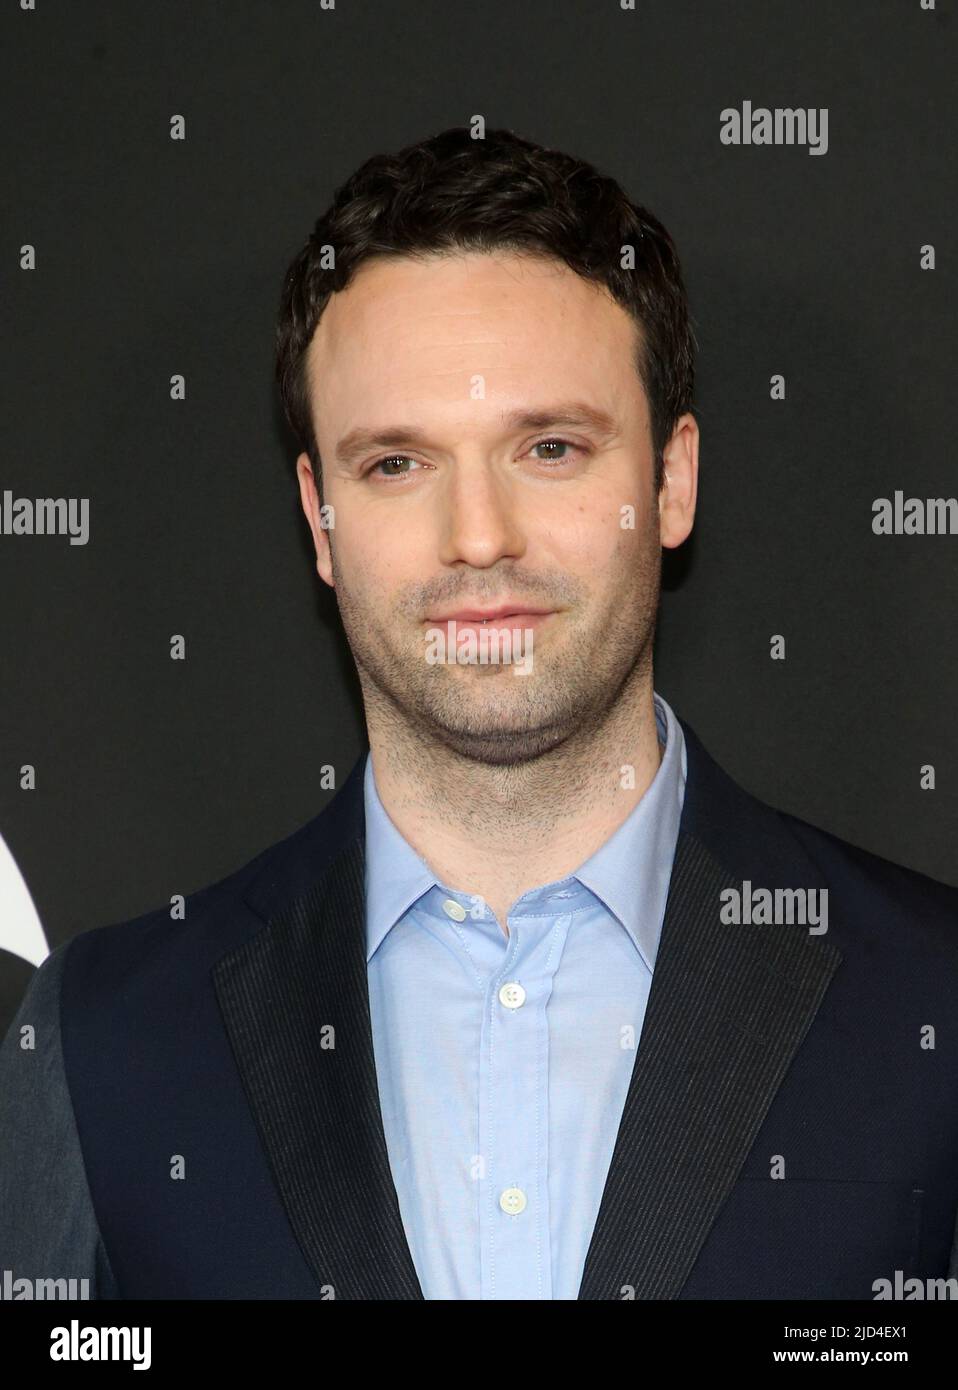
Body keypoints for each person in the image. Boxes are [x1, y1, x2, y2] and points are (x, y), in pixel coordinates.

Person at [2, 126, 957, 1301]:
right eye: (397, 463)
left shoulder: (930, 1002)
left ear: (670, 480)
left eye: (549, 448)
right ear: (319, 516)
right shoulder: (105, 1042)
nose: (478, 535)